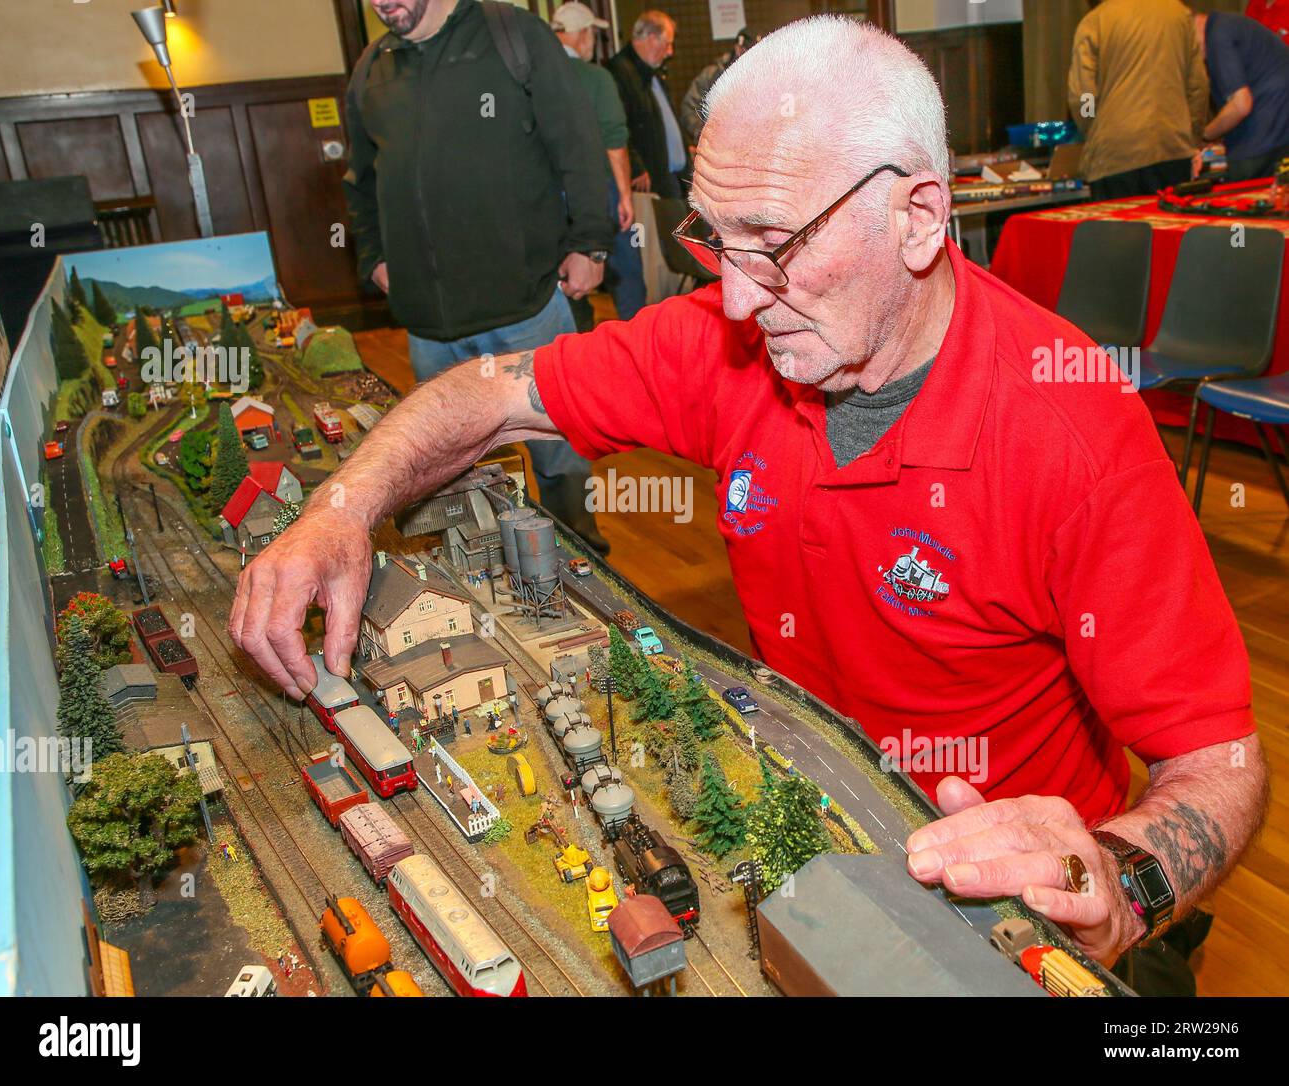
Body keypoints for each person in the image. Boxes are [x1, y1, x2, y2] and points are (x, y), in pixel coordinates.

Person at [232, 17, 1266, 995]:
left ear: (916, 217)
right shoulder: (737, 337)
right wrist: (341, 505)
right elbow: (493, 393)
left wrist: (1122, 884)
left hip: (997, 906)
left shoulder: (1071, 431)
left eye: (772, 241)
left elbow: (1217, 762)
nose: (732, 295)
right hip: (806, 825)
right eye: (714, 240)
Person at [345, 0, 613, 551]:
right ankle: (481, 596)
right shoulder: (373, 66)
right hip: (430, 330)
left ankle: (589, 572)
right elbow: (360, 178)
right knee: (447, 480)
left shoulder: (512, 36)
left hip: (525, 311)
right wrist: (373, 255)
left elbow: (579, 142)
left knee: (560, 461)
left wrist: (591, 242)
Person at [550, 2, 645, 326]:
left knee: (565, 279)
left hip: (549, 195)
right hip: (598, 189)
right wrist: (624, 196)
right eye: (591, 33)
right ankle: (638, 345)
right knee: (626, 274)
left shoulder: (534, 78)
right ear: (581, 35)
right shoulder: (595, 78)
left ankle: (574, 348)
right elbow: (614, 141)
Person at [1068, 0, 1209, 199]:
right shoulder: (1179, 13)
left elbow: (1084, 94)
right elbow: (1198, 86)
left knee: (1120, 229)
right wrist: (1191, 137)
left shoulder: (1095, 21)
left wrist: (1091, 127)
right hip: (1172, 145)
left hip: (1115, 152)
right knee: (1167, 226)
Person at [1194, 9, 1289, 182]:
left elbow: (1240, 105)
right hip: (1278, 132)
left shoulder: (1217, 37)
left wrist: (1204, 135)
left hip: (1263, 137)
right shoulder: (1229, 24)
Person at [607, 12, 687, 200]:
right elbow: (618, 126)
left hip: (671, 177)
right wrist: (635, 166)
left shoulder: (652, 72)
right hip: (652, 181)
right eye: (667, 44)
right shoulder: (619, 73)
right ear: (651, 39)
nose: (670, 52)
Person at [681, 29, 757, 145]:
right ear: (738, 49)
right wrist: (704, 135)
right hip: (720, 150)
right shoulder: (712, 75)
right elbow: (690, 107)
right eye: (751, 51)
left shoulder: (764, 74)